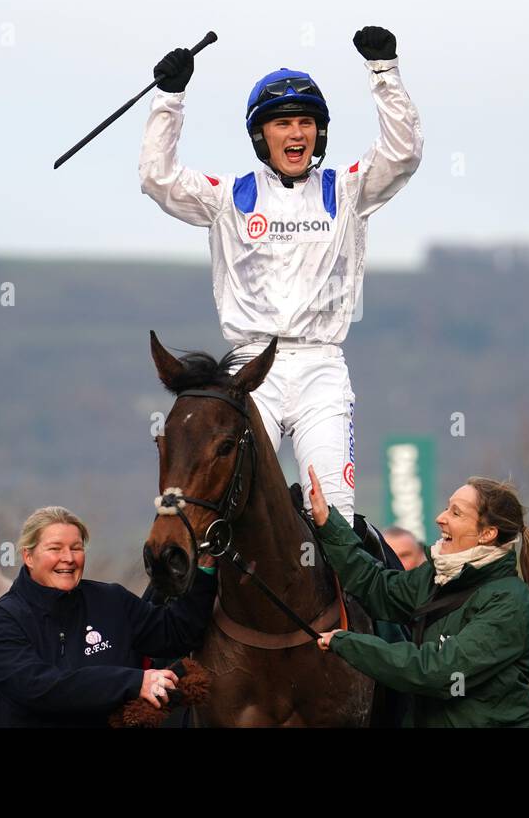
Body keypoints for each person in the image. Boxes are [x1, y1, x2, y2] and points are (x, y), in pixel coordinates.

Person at [139, 26, 422, 529]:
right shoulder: (227, 196)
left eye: (306, 123)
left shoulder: (349, 188)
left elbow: (403, 154)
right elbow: (157, 178)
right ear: (260, 135)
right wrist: (170, 98)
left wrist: (385, 73)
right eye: (284, 124)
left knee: (333, 512)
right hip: (250, 371)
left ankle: (366, 606)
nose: (297, 134)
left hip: (321, 369)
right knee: (226, 507)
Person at [310, 467, 529, 727]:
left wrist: (347, 644)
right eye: (447, 507)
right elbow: (379, 588)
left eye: (456, 512)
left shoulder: (509, 602)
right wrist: (329, 524)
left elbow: (440, 672)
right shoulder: (436, 576)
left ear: (487, 534)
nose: (440, 518)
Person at [0, 506, 216, 727]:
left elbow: (176, 633)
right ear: (28, 556)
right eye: (55, 548)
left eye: (76, 547)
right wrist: (133, 683)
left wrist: (204, 570)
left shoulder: (112, 600)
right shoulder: (2, 620)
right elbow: (40, 688)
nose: (68, 558)